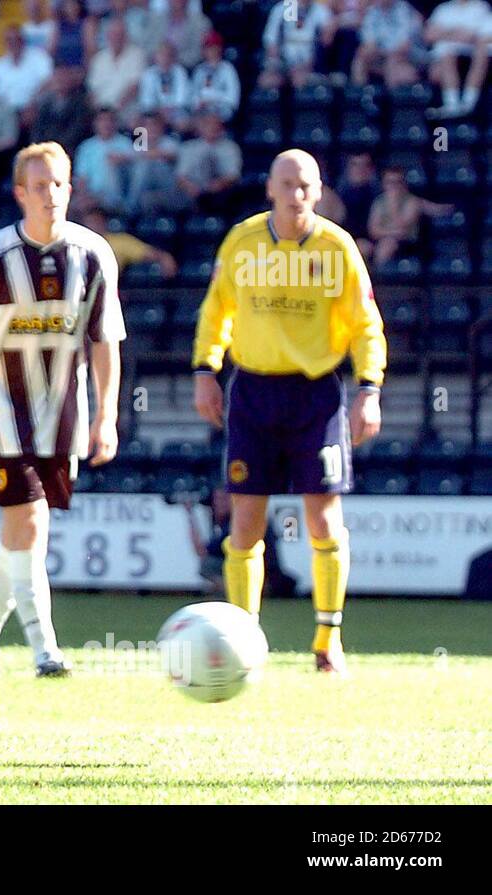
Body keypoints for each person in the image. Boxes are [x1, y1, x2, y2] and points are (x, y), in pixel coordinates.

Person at [192, 149, 387, 675]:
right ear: (270, 189)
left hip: (316, 395)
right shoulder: (243, 241)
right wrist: (205, 371)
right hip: (252, 391)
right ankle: (241, 642)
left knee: (323, 517)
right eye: (287, 184)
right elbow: (217, 309)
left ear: (318, 191)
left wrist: (369, 388)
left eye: (306, 185)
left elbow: (366, 324)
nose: (296, 194)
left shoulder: (337, 247)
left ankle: (327, 639)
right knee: (246, 522)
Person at [0, 142, 125, 677]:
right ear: (21, 194)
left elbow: (105, 340)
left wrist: (107, 414)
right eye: (39, 187)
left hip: (63, 419)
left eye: (59, 185)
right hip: (1, 415)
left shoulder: (93, 256)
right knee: (30, 524)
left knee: (19, 535)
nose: (51, 196)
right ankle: (46, 650)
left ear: (71, 188)